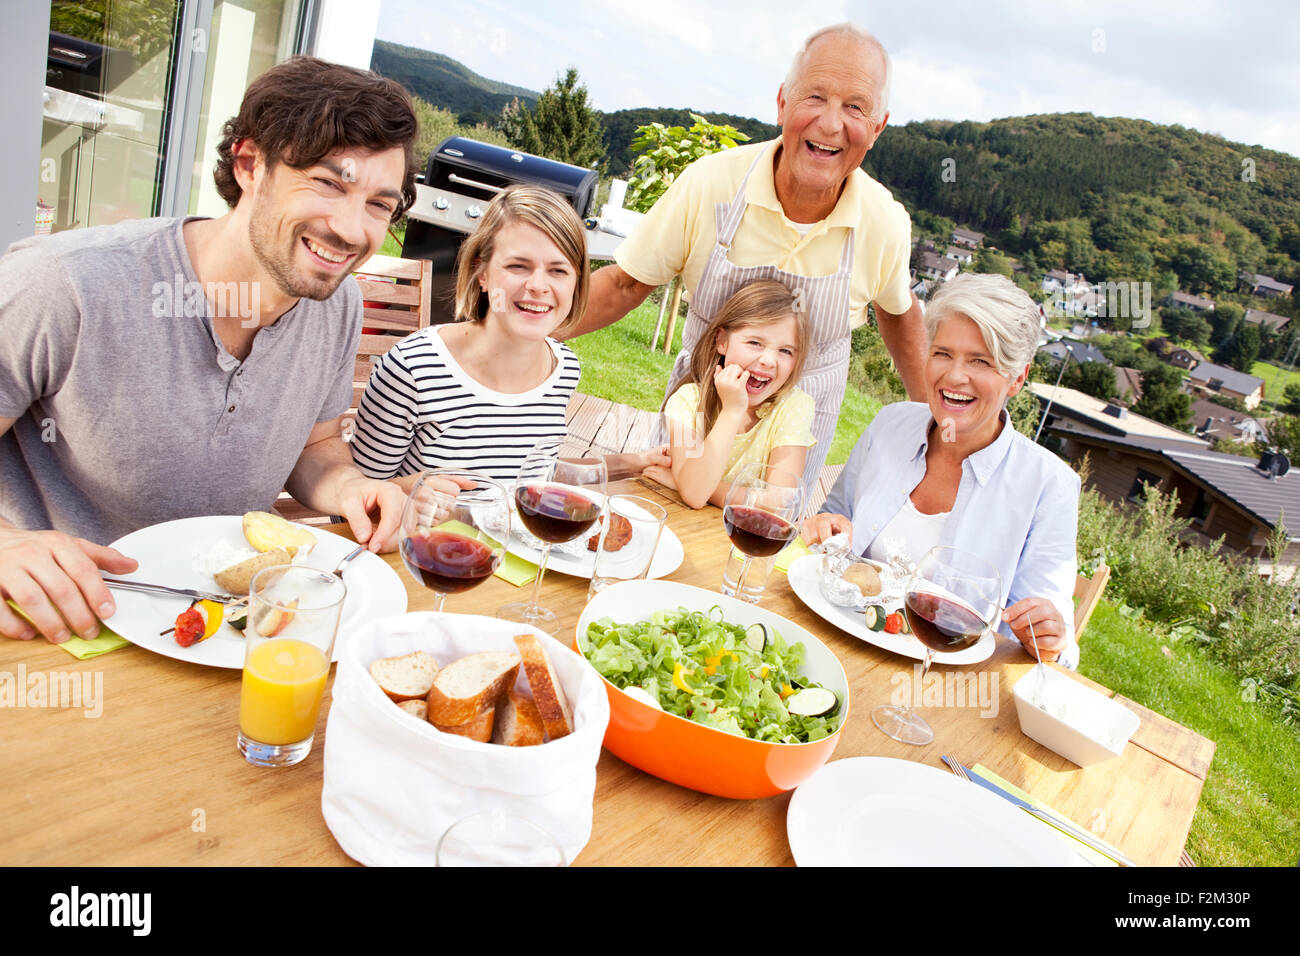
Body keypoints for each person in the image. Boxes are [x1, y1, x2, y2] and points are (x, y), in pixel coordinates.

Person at [0, 56, 420, 645]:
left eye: (380, 203)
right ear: (250, 164)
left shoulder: (338, 304)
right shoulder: (67, 283)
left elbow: (315, 445)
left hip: (224, 629)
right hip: (58, 626)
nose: (353, 229)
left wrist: (347, 486)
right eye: (329, 182)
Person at [566, 22, 927, 491]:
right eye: (814, 97)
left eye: (855, 107)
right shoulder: (711, 183)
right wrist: (513, 335)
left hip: (791, 453)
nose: (831, 123)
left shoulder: (885, 223)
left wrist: (939, 426)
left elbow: (899, 317)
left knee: (755, 547)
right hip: (695, 422)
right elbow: (625, 284)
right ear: (782, 102)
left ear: (877, 128)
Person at [801, 273, 1082, 667]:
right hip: (834, 641)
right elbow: (833, 523)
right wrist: (824, 527)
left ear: (1017, 378)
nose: (954, 376)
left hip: (944, 689)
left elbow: (1054, 647)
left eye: (980, 361)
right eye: (943, 353)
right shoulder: (890, 423)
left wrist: (1051, 642)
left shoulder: (1049, 486)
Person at [351, 184, 666, 486]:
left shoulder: (564, 368)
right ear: (482, 273)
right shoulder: (413, 368)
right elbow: (360, 498)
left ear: (576, 283)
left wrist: (635, 463)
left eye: (558, 270)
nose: (538, 286)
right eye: (518, 266)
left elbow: (533, 478)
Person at [645, 280, 815, 508]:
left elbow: (779, 502)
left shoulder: (794, 407)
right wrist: (732, 410)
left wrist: (683, 482)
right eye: (755, 343)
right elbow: (695, 495)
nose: (768, 360)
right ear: (722, 341)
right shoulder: (688, 401)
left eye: (785, 351)